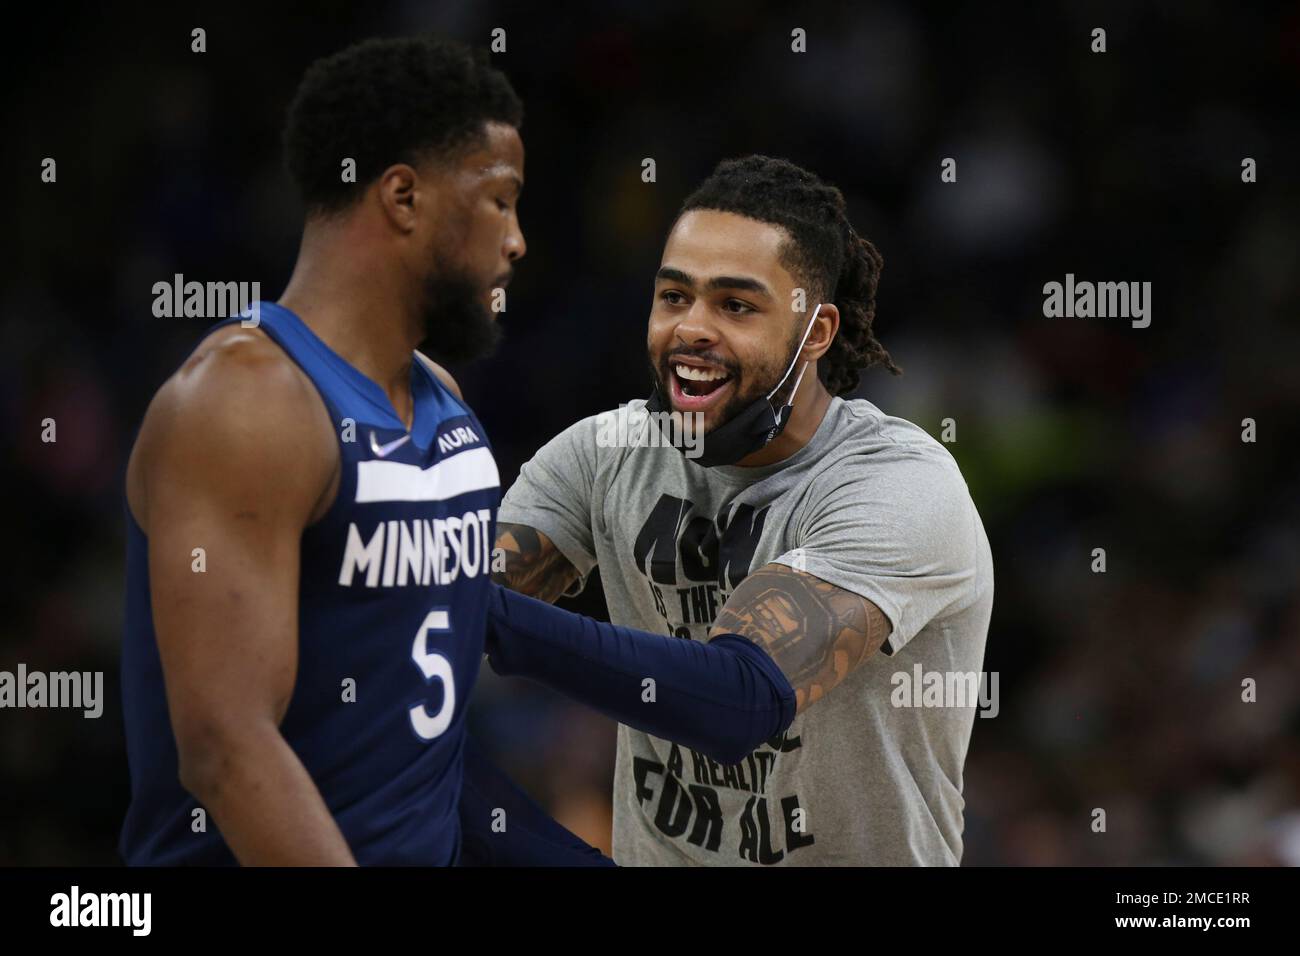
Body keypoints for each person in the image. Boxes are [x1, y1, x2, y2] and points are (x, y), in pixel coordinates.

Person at [119, 34, 607, 866]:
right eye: (501, 200)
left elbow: (427, 754)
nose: (519, 240)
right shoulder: (243, 404)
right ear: (403, 198)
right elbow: (228, 752)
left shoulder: (447, 404)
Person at [489, 155, 994, 865]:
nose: (691, 328)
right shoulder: (605, 452)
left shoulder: (898, 485)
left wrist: (468, 609)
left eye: (735, 305)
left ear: (816, 332)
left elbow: (736, 702)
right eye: (674, 297)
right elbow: (425, 634)